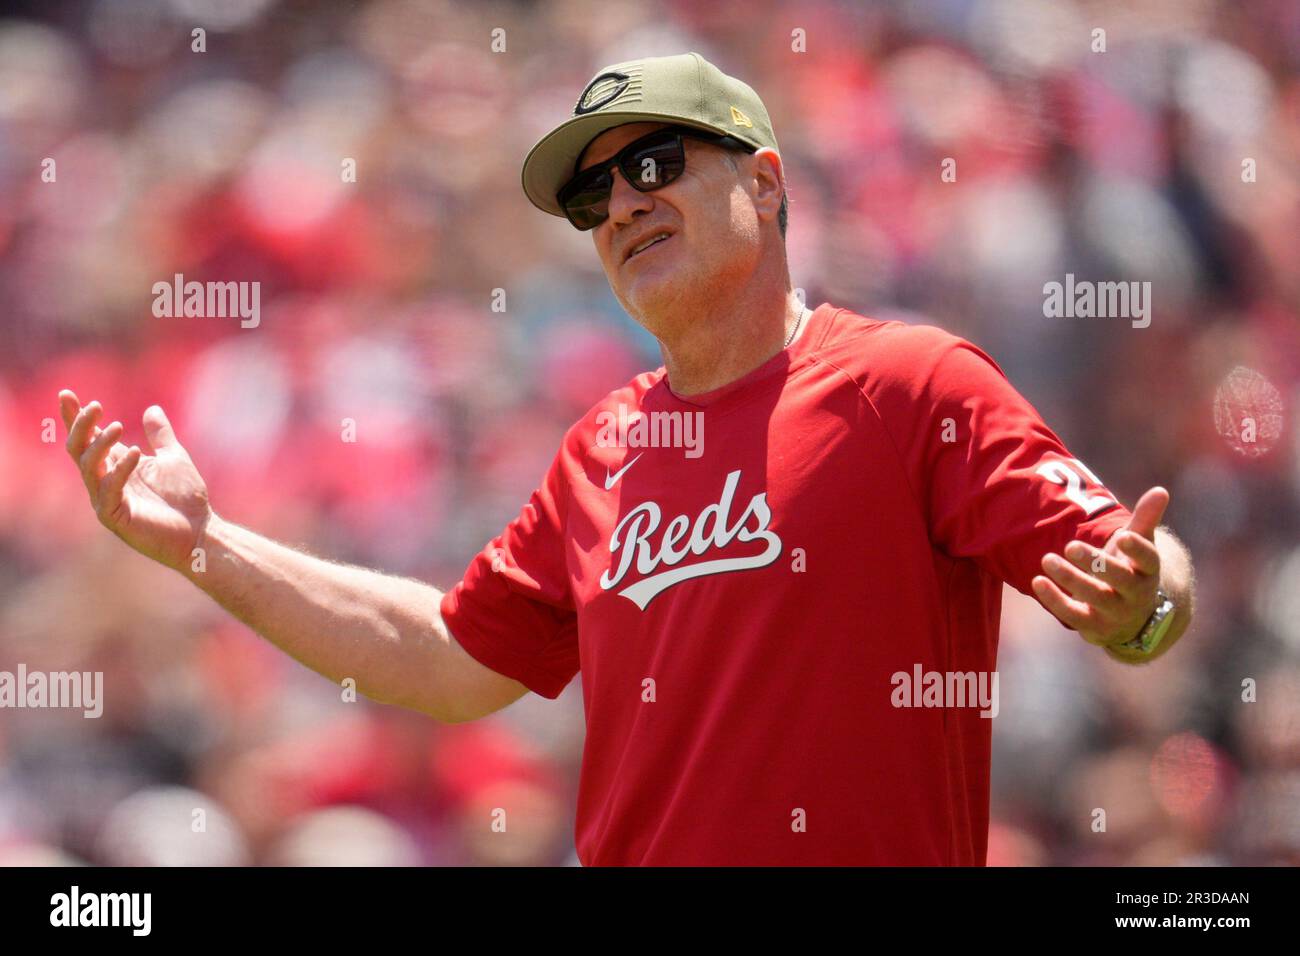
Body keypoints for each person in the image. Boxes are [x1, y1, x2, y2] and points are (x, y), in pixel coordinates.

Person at [59, 52, 1196, 865]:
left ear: (763, 180)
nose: (620, 207)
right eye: (593, 193)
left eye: (653, 163)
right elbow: (454, 657)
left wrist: (1140, 605)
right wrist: (206, 549)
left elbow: (1137, 578)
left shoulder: (910, 383)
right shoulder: (603, 445)